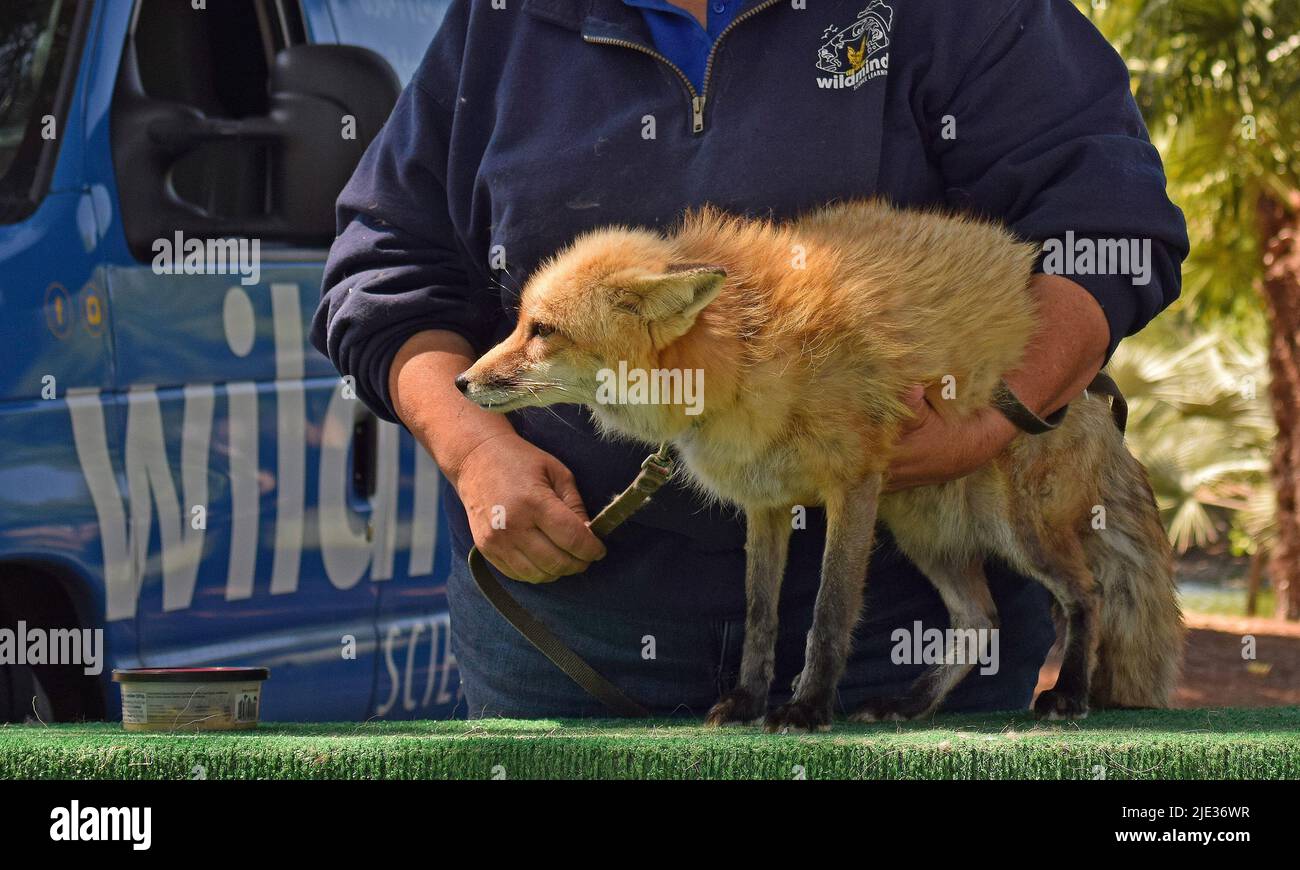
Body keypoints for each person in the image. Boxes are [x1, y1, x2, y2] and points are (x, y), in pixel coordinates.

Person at [312, 0, 1188, 718]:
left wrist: (999, 416)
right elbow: (385, 265)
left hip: (895, 633)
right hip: (574, 638)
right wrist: (474, 449)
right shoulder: (501, 23)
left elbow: (1106, 224)